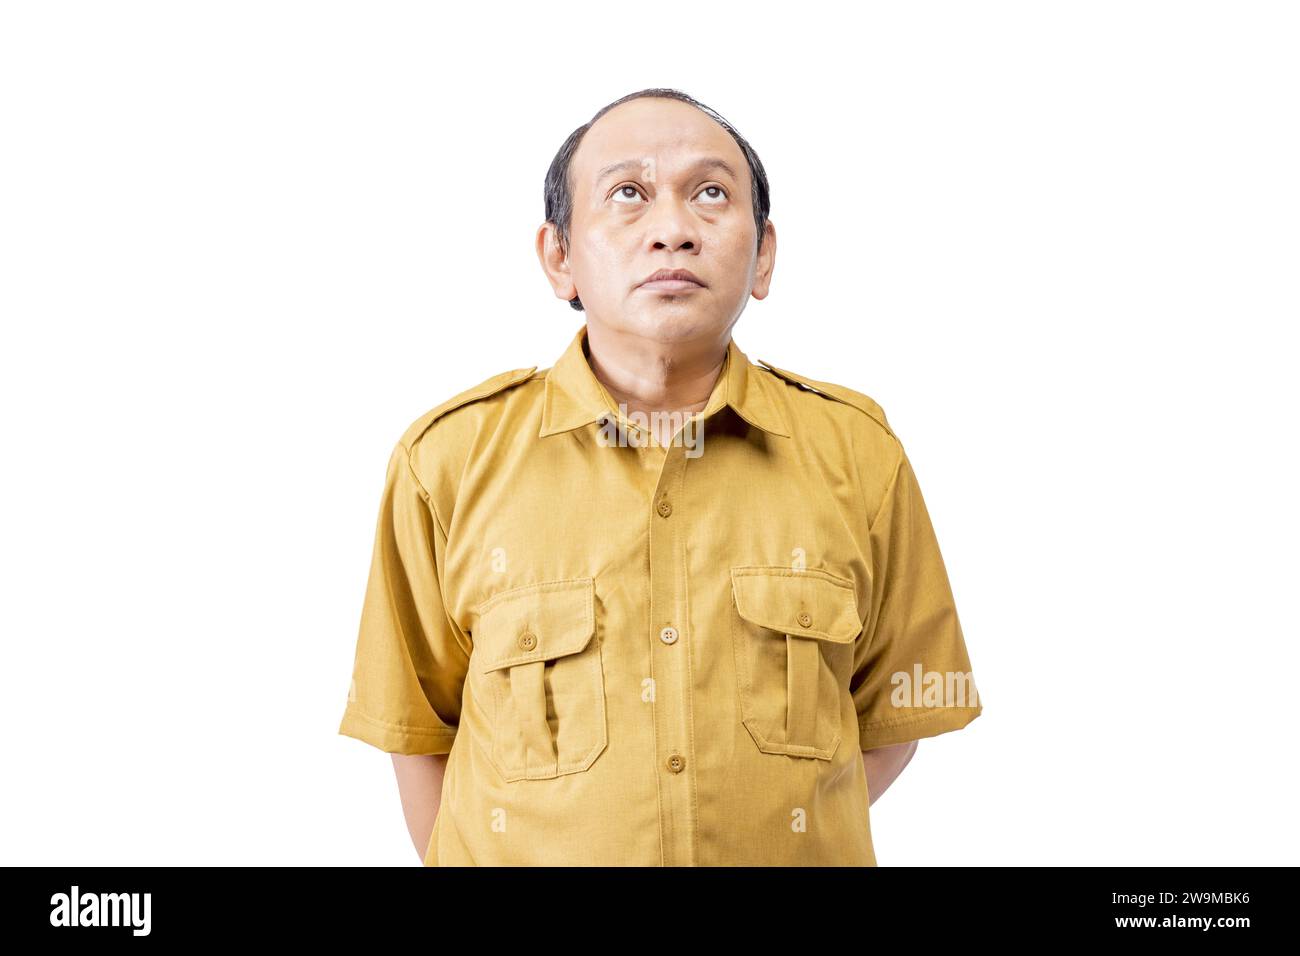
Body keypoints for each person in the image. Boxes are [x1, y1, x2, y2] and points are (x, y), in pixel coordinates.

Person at [338, 88, 983, 866]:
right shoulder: (446, 463)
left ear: (764, 253)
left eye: (711, 193)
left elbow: (894, 718)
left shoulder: (858, 453)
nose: (673, 230)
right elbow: (418, 731)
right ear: (560, 256)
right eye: (628, 196)